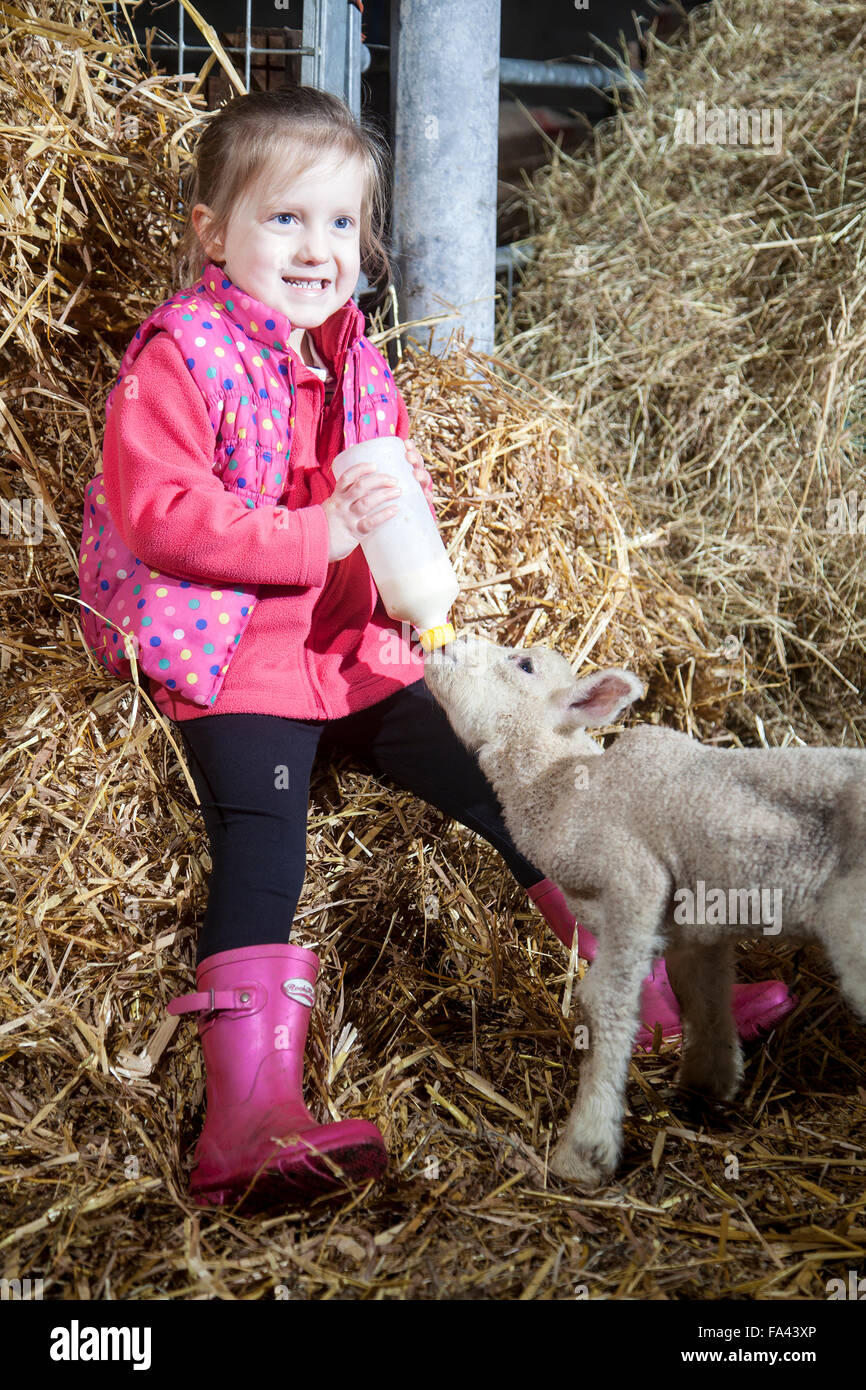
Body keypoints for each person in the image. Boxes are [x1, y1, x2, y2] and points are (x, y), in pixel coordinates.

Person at [78, 86, 793, 1211]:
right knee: (266, 854)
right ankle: (247, 1123)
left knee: (511, 783)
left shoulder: (360, 358)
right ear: (213, 234)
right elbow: (156, 510)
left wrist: (404, 557)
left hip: (355, 651)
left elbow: (392, 495)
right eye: (282, 220)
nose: (316, 249)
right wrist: (312, 532)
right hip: (236, 658)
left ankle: (645, 1000)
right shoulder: (181, 354)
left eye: (340, 225)